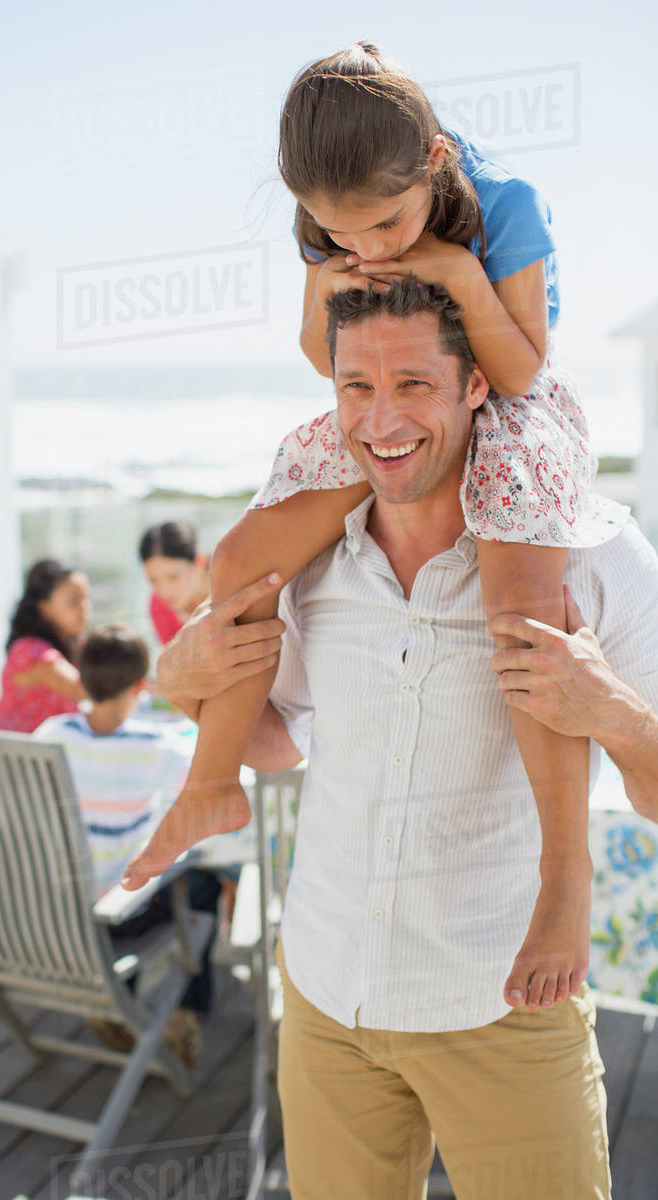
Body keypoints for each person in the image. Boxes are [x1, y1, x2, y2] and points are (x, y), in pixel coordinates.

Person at [123, 42, 616, 1011]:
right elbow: (320, 352)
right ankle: (211, 780)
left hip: (503, 407)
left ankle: (562, 877)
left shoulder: (504, 201)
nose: (376, 248)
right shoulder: (332, 222)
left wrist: (447, 269)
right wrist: (330, 271)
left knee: (520, 607)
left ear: (433, 159)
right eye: (344, 231)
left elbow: (518, 369)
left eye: (390, 224)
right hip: (397, 402)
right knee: (238, 560)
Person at [152, 280, 658, 1197]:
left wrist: (612, 711)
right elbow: (278, 742)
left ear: (476, 386)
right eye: (356, 388)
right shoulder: (308, 561)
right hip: (324, 993)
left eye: (415, 384)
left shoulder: (593, 556)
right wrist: (179, 687)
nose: (380, 421)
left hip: (504, 1003)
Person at [35, 626, 221, 1064]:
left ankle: (123, 1003)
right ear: (141, 686)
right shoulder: (155, 748)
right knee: (204, 881)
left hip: (52, 910)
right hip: (110, 916)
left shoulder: (50, 735)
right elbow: (205, 784)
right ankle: (183, 1010)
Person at [0, 559, 89, 733]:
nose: (84, 608)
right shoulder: (30, 652)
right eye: (73, 601)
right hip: (11, 754)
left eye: (85, 598)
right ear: (44, 608)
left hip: (46, 752)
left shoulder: (73, 643)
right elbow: (85, 688)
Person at [138, 521, 210, 646]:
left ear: (199, 561)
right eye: (153, 580)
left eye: (173, 577)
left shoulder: (232, 589)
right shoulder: (158, 605)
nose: (164, 592)